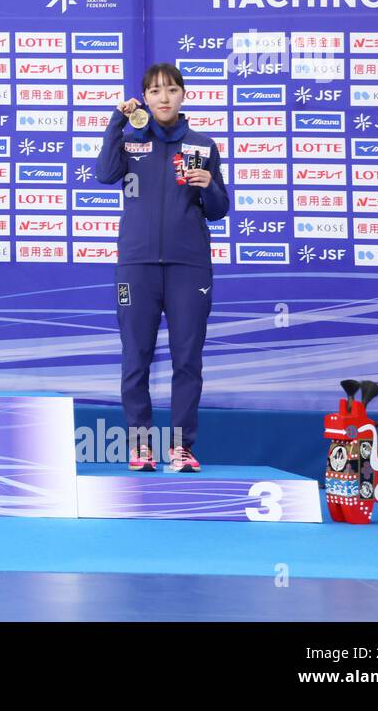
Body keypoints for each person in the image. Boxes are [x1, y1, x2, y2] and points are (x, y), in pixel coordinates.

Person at [94, 62, 229, 472]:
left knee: (187, 359)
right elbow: (104, 174)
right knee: (136, 355)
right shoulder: (131, 141)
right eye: (155, 91)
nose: (164, 98)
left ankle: (181, 447)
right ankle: (140, 446)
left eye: (171, 90)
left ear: (183, 95)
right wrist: (114, 125)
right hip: (136, 266)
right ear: (145, 99)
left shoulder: (202, 146)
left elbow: (219, 211)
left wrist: (210, 187)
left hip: (189, 267)